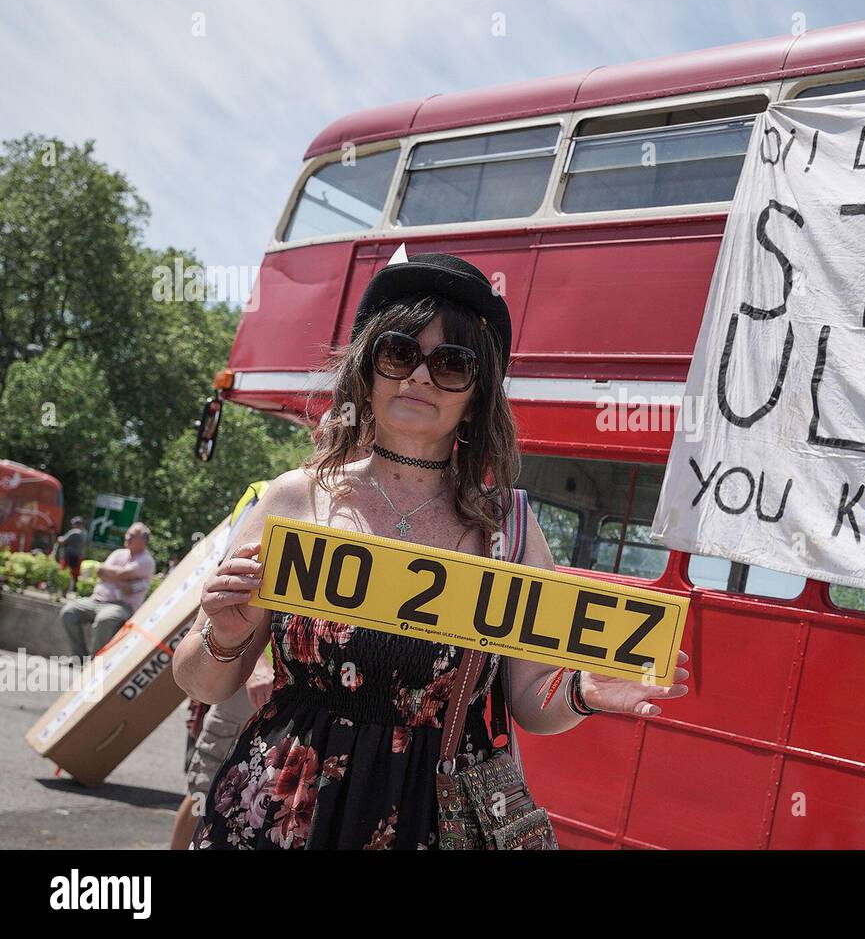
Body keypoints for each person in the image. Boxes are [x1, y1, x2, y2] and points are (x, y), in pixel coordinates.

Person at [173, 251, 690, 850]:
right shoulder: (296, 500)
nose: (419, 377)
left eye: (450, 363)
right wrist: (226, 634)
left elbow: (531, 703)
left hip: (430, 818)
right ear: (368, 369)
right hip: (282, 809)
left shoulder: (512, 530)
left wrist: (582, 691)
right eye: (399, 353)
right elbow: (204, 683)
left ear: (475, 396)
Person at [169, 648, 275, 849]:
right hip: (248, 687)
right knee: (205, 790)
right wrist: (255, 666)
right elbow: (230, 620)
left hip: (303, 691)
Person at [59, 522, 155, 658]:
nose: (127, 537)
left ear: (143, 540)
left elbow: (125, 582)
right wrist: (120, 578)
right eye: (127, 534)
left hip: (121, 606)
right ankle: (78, 657)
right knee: (68, 612)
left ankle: (94, 663)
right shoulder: (118, 553)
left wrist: (111, 575)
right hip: (96, 600)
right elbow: (100, 571)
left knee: (104, 619)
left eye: (132, 535)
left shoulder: (146, 561)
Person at [55, 516, 87, 591]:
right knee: (74, 573)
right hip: (79, 555)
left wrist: (59, 538)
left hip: (70, 555)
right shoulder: (85, 532)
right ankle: (70, 589)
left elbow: (62, 540)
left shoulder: (74, 531)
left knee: (64, 571)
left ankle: (62, 589)